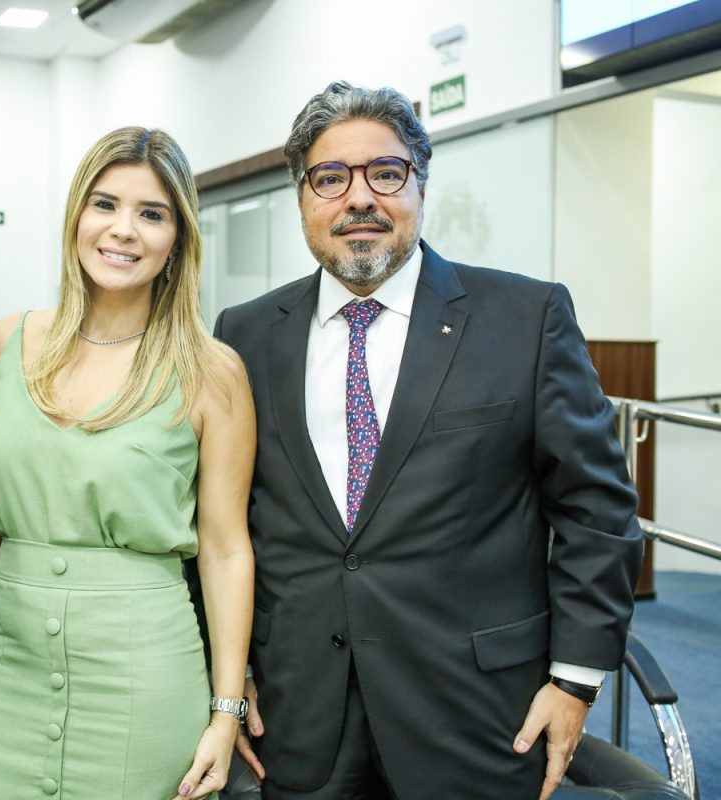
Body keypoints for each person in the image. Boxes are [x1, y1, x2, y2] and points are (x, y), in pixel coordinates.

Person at [214, 81, 644, 800]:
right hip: (297, 713)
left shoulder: (524, 316)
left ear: (419, 185)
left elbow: (596, 509)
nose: (359, 199)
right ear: (302, 198)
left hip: (476, 715)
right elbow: (228, 522)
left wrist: (575, 679)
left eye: (386, 173)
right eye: (330, 178)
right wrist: (234, 678)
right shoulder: (245, 334)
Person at [0, 126, 256, 800]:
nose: (123, 230)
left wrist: (225, 711)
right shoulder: (10, 339)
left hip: (145, 670)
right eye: (105, 204)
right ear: (75, 217)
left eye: (152, 214)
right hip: (9, 660)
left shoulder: (211, 371)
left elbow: (226, 549)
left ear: (179, 237)